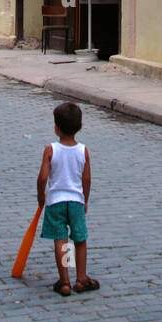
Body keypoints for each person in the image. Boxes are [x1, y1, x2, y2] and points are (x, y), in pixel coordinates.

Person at [37, 102, 99, 296]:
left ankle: (64, 282)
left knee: (61, 240)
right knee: (79, 239)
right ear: (80, 127)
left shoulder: (51, 149)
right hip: (76, 201)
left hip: (55, 201)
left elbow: (43, 177)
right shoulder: (83, 151)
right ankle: (81, 278)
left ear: (56, 128)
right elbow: (86, 179)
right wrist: (85, 199)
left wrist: (41, 196)